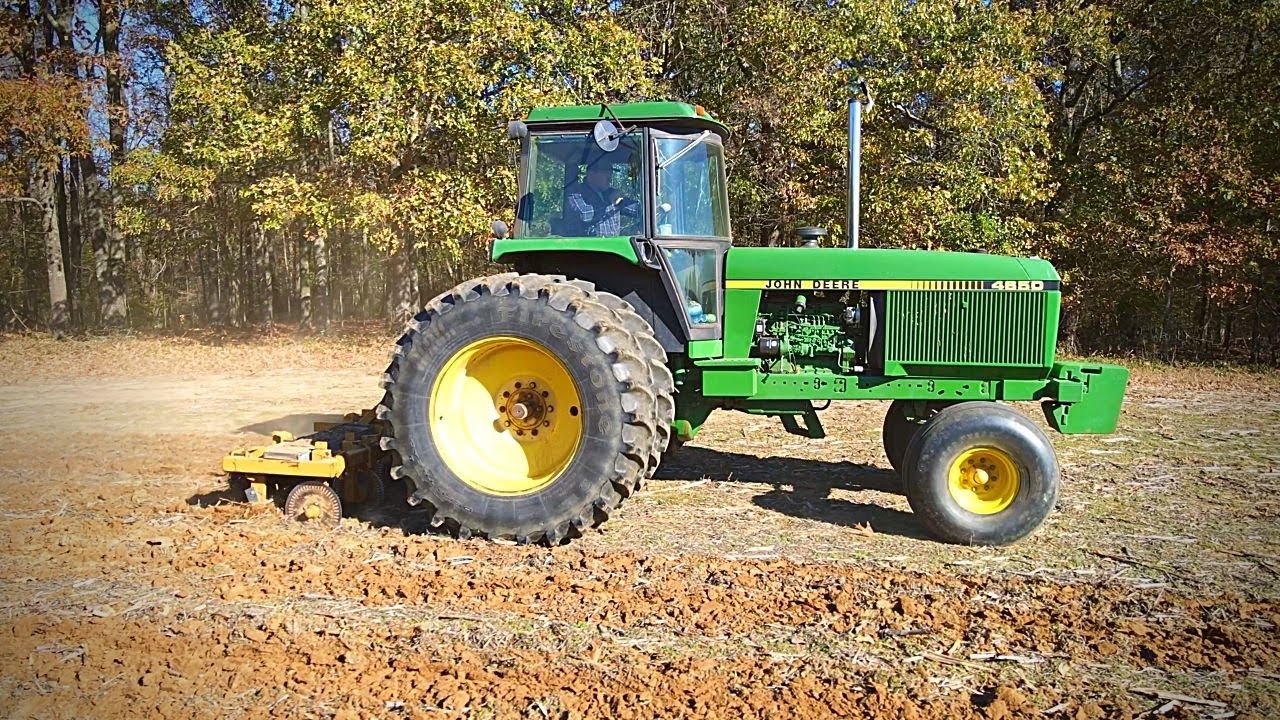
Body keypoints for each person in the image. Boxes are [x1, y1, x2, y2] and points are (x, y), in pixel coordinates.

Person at [562, 164, 640, 236]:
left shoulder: (610, 193)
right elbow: (585, 215)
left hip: (614, 247)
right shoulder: (576, 193)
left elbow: (639, 210)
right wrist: (610, 202)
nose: (610, 177)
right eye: (606, 171)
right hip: (591, 248)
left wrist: (638, 227)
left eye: (611, 172)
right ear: (591, 174)